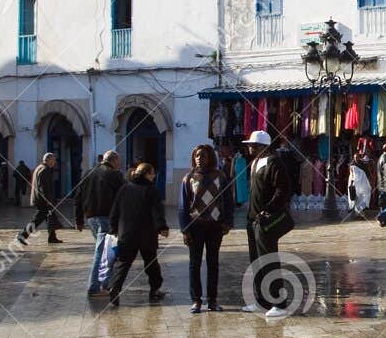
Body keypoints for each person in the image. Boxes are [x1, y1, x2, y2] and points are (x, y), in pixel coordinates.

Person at [243, 129, 295, 318]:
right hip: (252, 219)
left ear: (261, 147)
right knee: (256, 261)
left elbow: (283, 189)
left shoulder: (274, 162)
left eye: (252, 145)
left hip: (265, 220)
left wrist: (269, 209)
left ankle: (279, 303)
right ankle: (261, 301)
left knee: (269, 261)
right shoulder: (255, 163)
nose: (249, 148)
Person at [106, 162, 169, 305]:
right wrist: (162, 227)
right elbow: (157, 211)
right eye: (152, 173)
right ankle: (155, 289)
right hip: (147, 234)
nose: (154, 176)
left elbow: (115, 209)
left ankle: (115, 288)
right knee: (151, 263)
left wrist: (113, 228)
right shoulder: (151, 190)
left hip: (126, 234)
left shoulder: (124, 188)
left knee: (123, 263)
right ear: (147, 174)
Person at [180, 144, 233, 313]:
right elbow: (183, 206)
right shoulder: (188, 178)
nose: (199, 159)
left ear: (210, 157)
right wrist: (185, 229)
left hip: (215, 226)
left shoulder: (220, 176)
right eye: (197, 156)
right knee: (194, 264)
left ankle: (212, 300)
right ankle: (196, 300)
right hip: (195, 227)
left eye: (203, 156)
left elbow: (228, 200)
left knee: (213, 263)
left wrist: (228, 222)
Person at [79, 151, 124, 296]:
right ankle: (94, 287)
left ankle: (105, 284)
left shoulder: (88, 173)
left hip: (91, 217)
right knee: (102, 253)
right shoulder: (114, 174)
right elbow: (124, 195)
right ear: (114, 160)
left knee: (107, 252)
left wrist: (78, 219)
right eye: (118, 161)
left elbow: (78, 196)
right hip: (106, 217)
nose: (119, 164)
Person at [19, 153, 62, 244]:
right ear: (48, 160)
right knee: (37, 219)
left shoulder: (40, 167)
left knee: (51, 217)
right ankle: (22, 235)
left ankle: (52, 237)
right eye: (53, 160)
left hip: (41, 199)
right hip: (43, 200)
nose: (54, 162)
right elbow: (44, 187)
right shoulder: (45, 170)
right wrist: (48, 200)